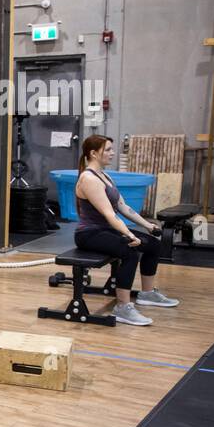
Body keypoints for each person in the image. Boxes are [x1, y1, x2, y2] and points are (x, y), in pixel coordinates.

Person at [72, 136, 178, 326]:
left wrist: (147, 225)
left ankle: (147, 294)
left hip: (105, 230)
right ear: (93, 153)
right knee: (130, 250)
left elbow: (122, 207)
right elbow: (109, 214)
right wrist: (129, 235)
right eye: (108, 150)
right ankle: (122, 307)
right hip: (89, 234)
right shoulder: (88, 179)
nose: (113, 153)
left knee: (153, 244)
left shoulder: (105, 176)